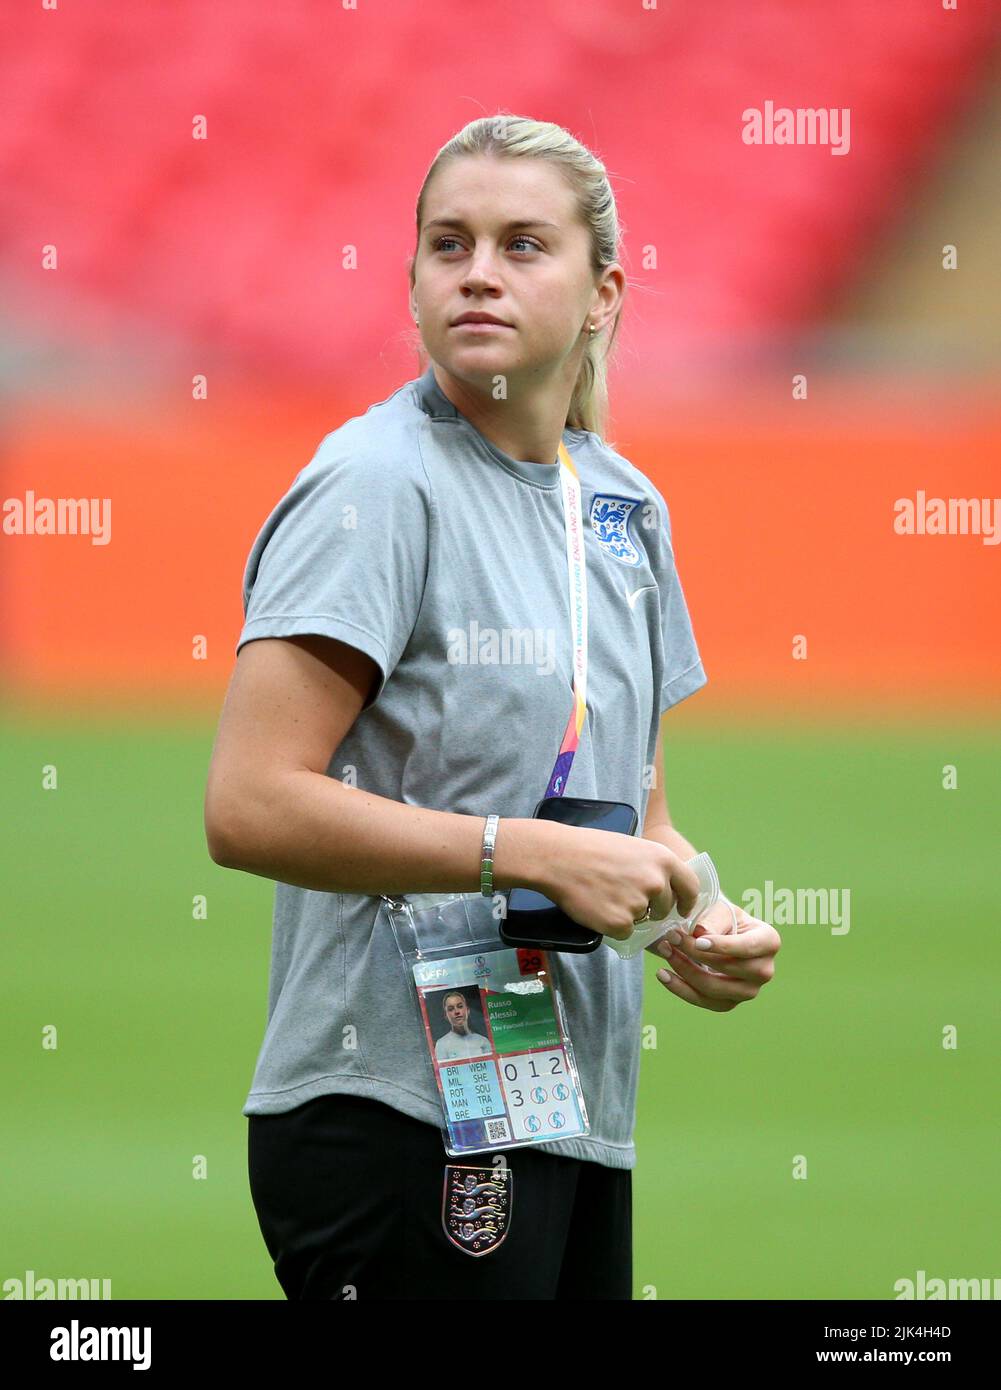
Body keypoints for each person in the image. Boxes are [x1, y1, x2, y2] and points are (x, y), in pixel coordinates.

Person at [204, 113, 780, 1302]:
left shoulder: (620, 506)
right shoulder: (374, 485)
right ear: (411, 278)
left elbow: (634, 816)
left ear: (602, 288)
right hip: (389, 1100)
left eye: (522, 244)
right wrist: (515, 853)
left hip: (563, 1098)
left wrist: (695, 915)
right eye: (447, 244)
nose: (476, 271)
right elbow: (249, 805)